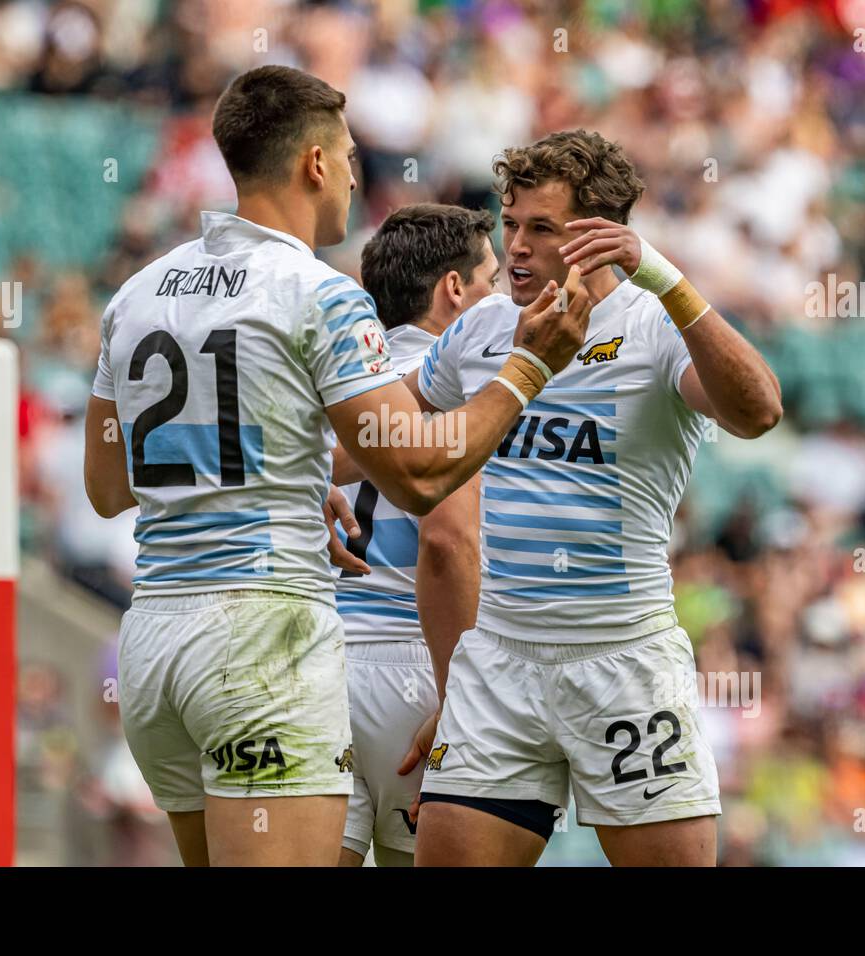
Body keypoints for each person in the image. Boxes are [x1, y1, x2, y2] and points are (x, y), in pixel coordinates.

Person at [82, 66, 593, 866]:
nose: (357, 176)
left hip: (153, 647)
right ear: (315, 163)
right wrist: (527, 370)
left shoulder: (136, 294)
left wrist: (285, 471)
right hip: (262, 637)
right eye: (351, 157)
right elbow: (419, 478)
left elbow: (108, 489)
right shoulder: (317, 292)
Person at [398, 129, 783, 865]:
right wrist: (306, 480)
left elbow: (759, 409)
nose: (513, 248)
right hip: (500, 663)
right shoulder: (480, 329)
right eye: (509, 224)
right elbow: (375, 442)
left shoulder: (656, 326)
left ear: (601, 236)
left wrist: (669, 279)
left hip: (623, 660)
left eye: (540, 229)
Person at [334, 204, 498, 866]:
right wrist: (461, 692)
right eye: (492, 283)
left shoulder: (337, 384)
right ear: (453, 290)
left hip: (321, 660)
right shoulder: (467, 380)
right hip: (423, 667)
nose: (503, 303)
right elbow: (448, 543)